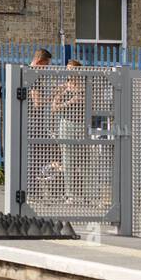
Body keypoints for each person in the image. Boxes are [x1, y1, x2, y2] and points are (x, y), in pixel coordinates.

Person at [51, 60, 86, 202]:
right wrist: (70, 102)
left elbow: (88, 104)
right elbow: (54, 107)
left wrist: (79, 99)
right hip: (66, 124)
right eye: (67, 69)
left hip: (82, 124)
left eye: (71, 69)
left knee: (84, 160)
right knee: (67, 160)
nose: (69, 72)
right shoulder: (64, 87)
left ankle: (87, 195)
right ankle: (69, 194)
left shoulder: (84, 86)